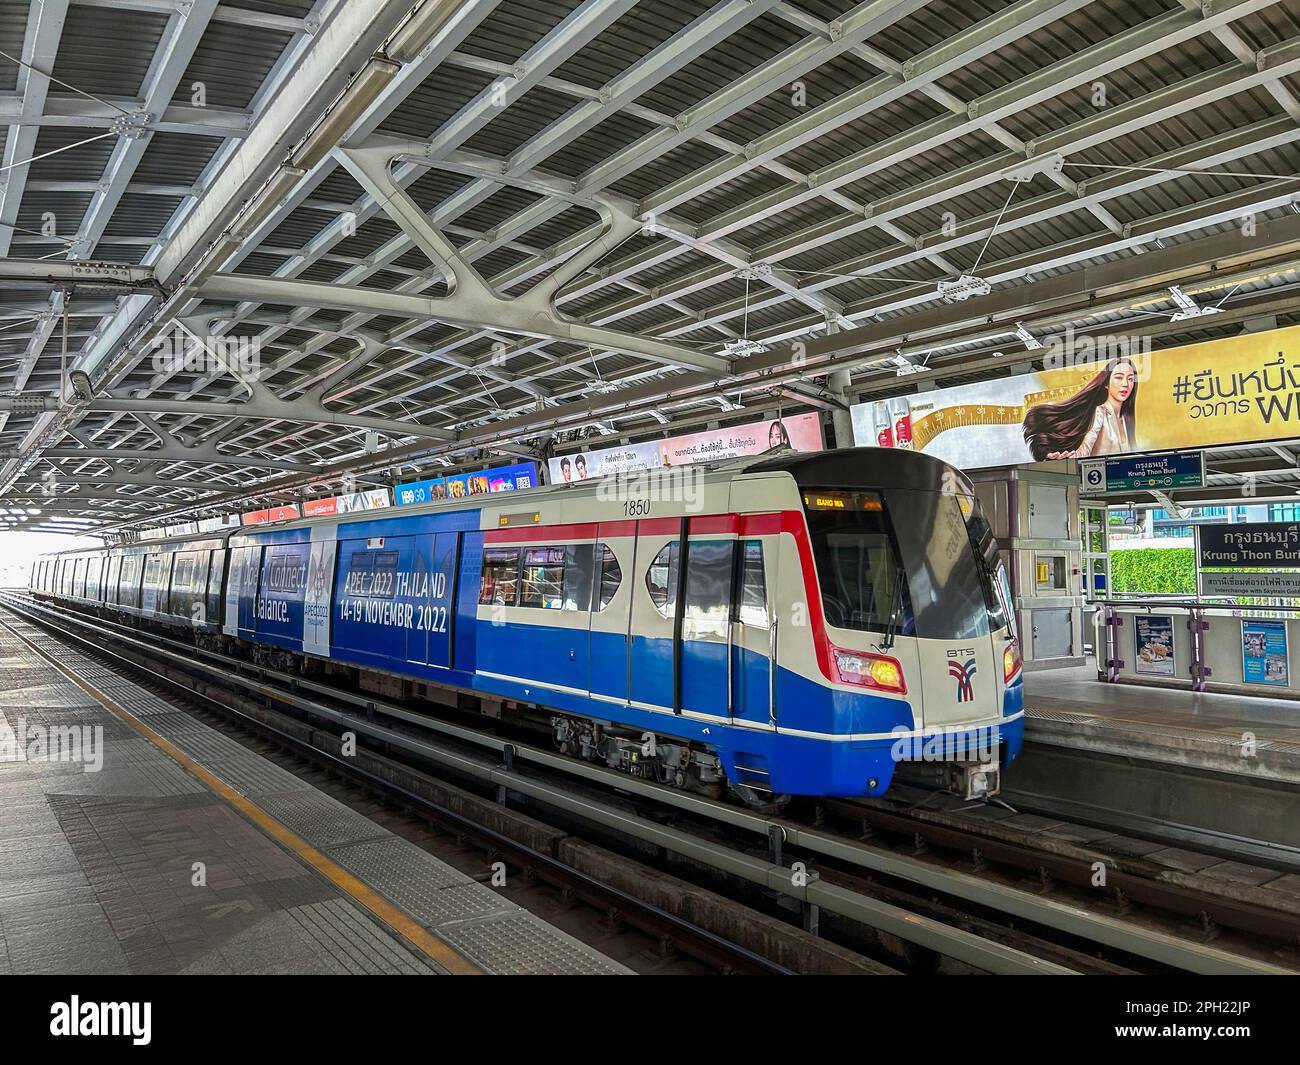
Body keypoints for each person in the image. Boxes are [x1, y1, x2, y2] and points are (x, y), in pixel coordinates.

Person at [1023, 357, 1138, 461]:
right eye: (1119, 377)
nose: (1125, 384)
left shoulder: (1126, 419)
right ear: (1106, 383)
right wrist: (1066, 458)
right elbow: (1084, 449)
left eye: (1130, 379)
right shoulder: (1100, 413)